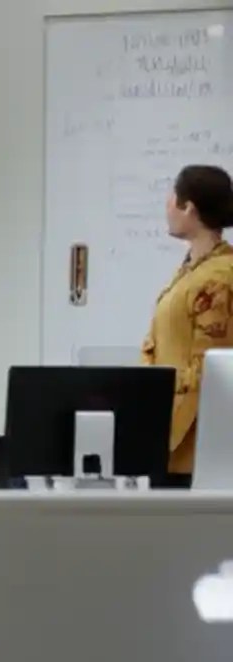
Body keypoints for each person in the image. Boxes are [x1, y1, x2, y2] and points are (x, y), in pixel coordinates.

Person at [142, 164, 233, 488]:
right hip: (167, 424)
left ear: (189, 207)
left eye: (172, 198)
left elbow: (212, 366)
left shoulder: (219, 277)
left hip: (189, 443)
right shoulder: (194, 269)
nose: (167, 206)